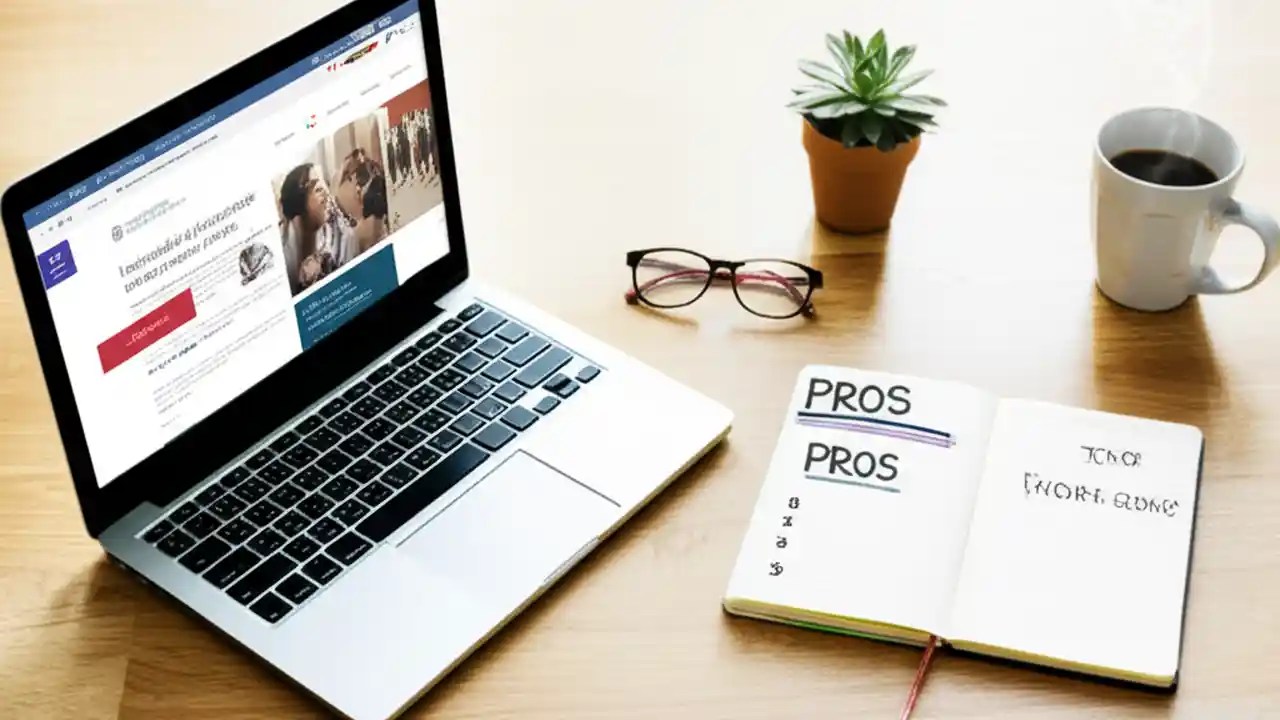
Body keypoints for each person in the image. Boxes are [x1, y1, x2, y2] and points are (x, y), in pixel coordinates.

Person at [278, 163, 354, 295]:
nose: (327, 196)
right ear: (298, 199)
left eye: (325, 187)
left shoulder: (330, 241)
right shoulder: (281, 258)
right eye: (318, 189)